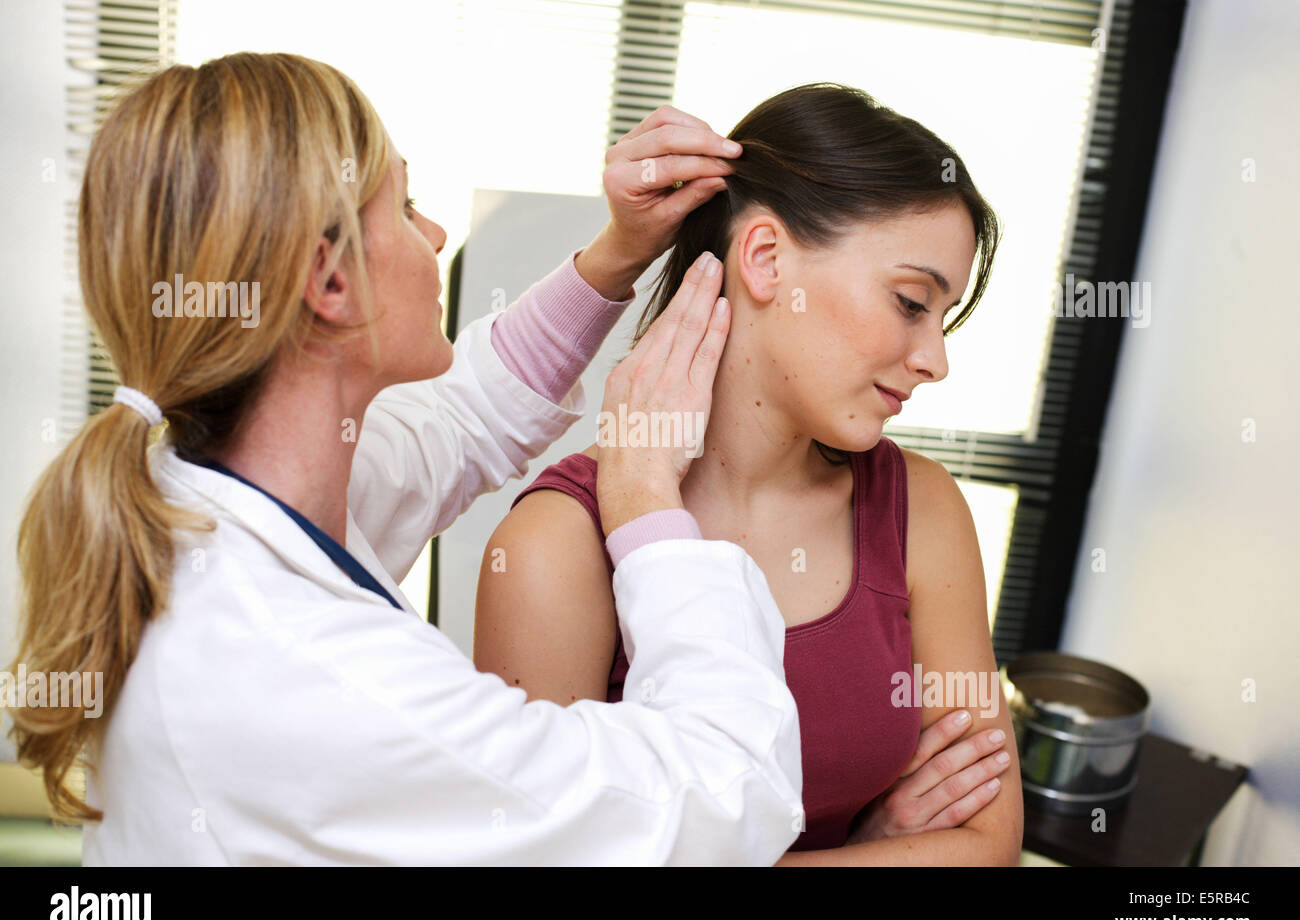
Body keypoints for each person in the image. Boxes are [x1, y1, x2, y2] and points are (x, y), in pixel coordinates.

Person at [6, 51, 806, 865]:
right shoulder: (304, 676)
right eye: (407, 205)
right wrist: (647, 511)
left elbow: (462, 417)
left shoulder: (224, 491)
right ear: (330, 283)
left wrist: (619, 251)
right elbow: (724, 797)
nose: (435, 233)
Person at [475, 83, 1025, 864]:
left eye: (943, 317)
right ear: (765, 259)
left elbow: (986, 840)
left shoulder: (922, 509)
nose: (935, 360)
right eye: (910, 302)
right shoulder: (553, 547)